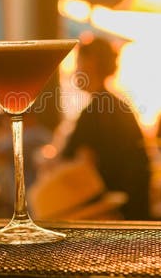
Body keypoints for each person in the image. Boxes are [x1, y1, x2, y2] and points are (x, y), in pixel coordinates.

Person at [61, 37, 151, 220]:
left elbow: (81, 164)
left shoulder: (94, 112)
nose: (75, 71)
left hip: (111, 212)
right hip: (134, 207)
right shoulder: (117, 105)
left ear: (91, 62)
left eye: (78, 62)